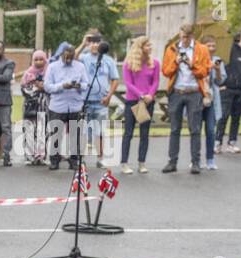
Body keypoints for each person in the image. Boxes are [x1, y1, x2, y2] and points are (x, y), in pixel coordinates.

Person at [162, 23, 211, 175]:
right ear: (180, 35)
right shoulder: (172, 49)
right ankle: (172, 162)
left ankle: (195, 162)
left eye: (187, 37)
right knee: (175, 128)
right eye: (182, 37)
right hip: (176, 92)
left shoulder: (202, 49)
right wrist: (175, 62)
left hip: (194, 92)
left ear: (192, 36)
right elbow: (165, 71)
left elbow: (205, 71)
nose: (184, 40)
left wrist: (192, 65)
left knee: (195, 128)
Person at [44, 41, 88, 171]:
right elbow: (47, 86)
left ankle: (74, 160)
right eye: (66, 56)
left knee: (75, 134)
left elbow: (86, 83)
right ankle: (54, 160)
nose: (68, 59)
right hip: (58, 105)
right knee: (56, 134)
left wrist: (79, 86)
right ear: (61, 54)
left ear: (75, 55)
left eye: (71, 56)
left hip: (75, 105)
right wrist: (62, 86)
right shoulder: (52, 67)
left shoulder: (80, 66)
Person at [120, 36, 159, 175]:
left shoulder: (154, 63)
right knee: (128, 133)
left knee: (144, 133)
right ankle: (124, 163)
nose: (150, 48)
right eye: (147, 45)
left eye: (150, 45)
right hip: (133, 101)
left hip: (148, 102)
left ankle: (141, 163)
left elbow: (155, 82)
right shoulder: (128, 64)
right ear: (140, 47)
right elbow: (128, 83)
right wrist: (141, 95)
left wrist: (150, 95)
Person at [78, 36, 119, 168]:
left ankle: (100, 158)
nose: (94, 45)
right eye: (92, 43)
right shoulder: (84, 57)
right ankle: (81, 158)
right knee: (83, 131)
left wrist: (109, 96)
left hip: (101, 101)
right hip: (85, 101)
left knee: (100, 131)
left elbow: (115, 79)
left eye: (97, 42)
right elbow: (72, 57)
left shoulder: (108, 60)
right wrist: (83, 44)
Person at [20, 50, 50, 165]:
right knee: (29, 131)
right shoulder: (28, 73)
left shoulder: (49, 72)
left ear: (45, 60)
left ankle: (40, 157)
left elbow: (50, 88)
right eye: (36, 59)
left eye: (41, 59)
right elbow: (24, 88)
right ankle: (29, 156)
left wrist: (41, 86)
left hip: (43, 107)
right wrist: (38, 87)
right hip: (30, 107)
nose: (38, 62)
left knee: (42, 131)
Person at [202, 36, 226, 170]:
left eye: (213, 45)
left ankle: (210, 159)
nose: (211, 48)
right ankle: (196, 158)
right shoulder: (197, 59)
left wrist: (216, 70)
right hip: (199, 98)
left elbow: (220, 82)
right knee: (195, 130)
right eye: (208, 45)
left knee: (211, 130)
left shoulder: (218, 61)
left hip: (212, 99)